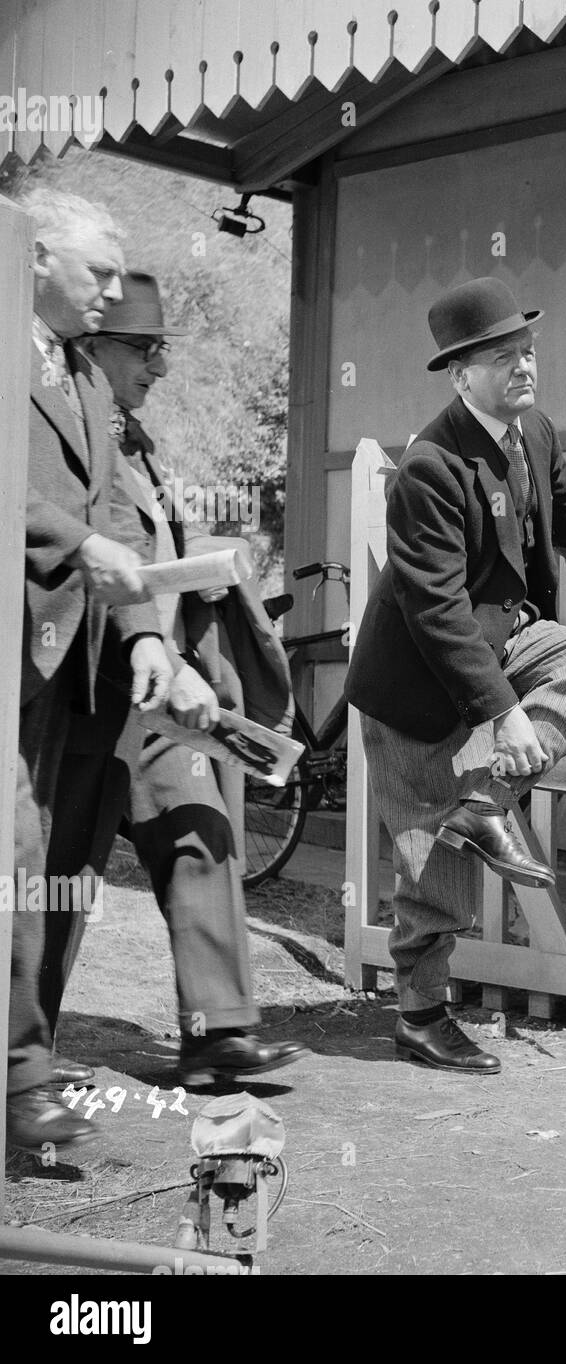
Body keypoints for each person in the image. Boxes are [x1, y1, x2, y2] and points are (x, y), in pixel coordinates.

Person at [346, 277, 566, 1075]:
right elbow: (435, 610)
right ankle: (421, 1014)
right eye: (501, 355)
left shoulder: (535, 434)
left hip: (503, 642)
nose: (523, 366)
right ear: (460, 374)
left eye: (527, 350)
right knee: (433, 867)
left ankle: (485, 799)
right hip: (415, 683)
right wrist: (505, 713)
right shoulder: (430, 465)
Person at [38, 271, 309, 1090]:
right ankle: (23, 1060)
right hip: (76, 687)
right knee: (56, 873)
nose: (160, 366)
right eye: (144, 348)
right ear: (93, 349)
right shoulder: (63, 431)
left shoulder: (133, 441)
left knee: (201, 829)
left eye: (163, 348)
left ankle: (218, 1032)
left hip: (154, 691)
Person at [9, 189, 172, 1155]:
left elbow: (115, 515)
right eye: (97, 271)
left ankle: (23, 1073)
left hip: (64, 660)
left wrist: (146, 630)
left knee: (32, 865)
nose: (114, 291)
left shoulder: (84, 375)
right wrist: (75, 543)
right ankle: (23, 1082)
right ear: (33, 259)